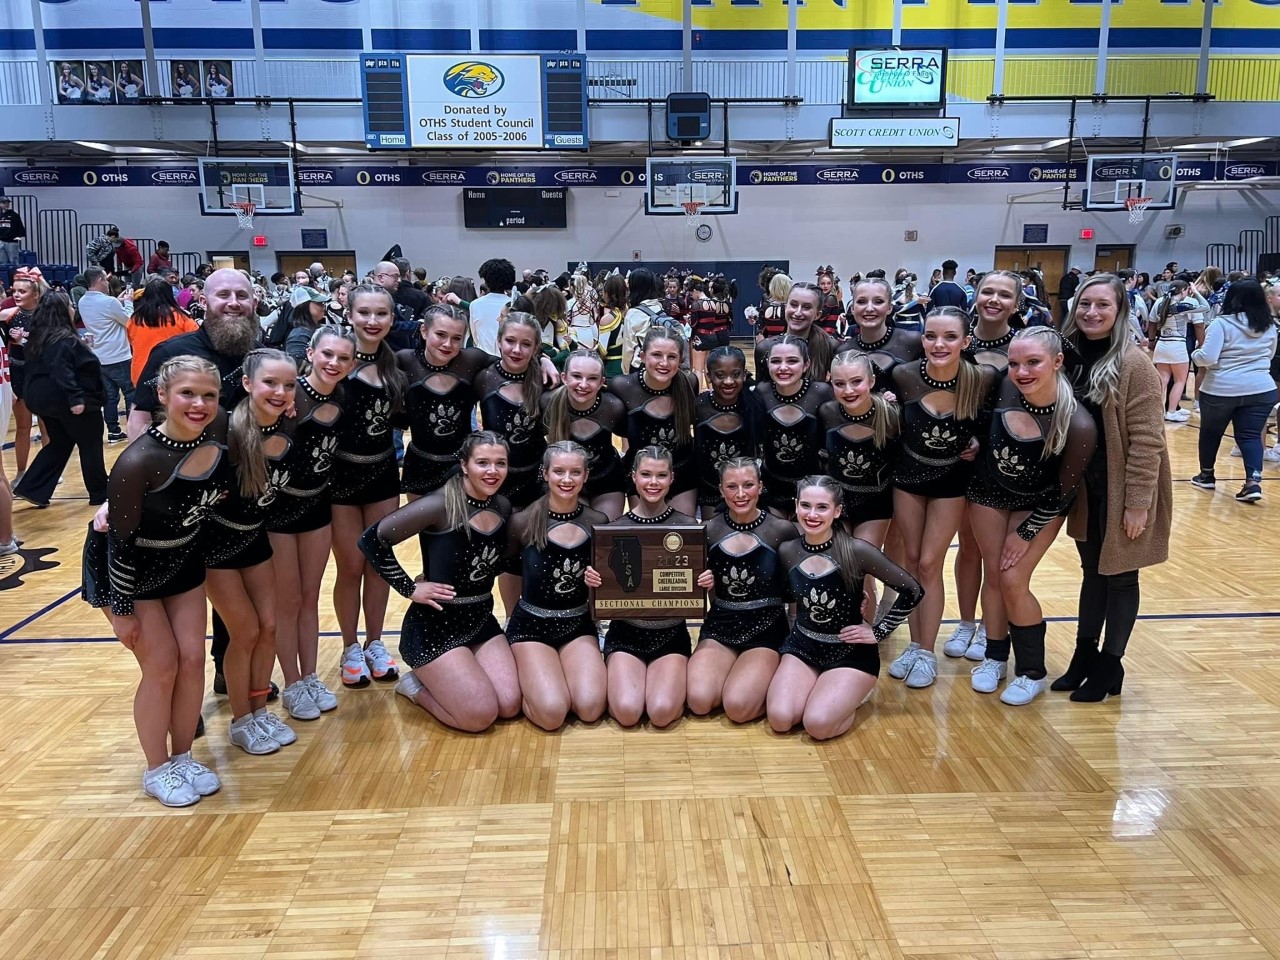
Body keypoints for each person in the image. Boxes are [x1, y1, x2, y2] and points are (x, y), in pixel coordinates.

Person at [88, 356, 227, 805]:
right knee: (162, 665)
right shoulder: (138, 461)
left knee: (193, 659)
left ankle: (183, 756)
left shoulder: (216, 431)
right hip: (130, 573)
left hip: (181, 561)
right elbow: (118, 545)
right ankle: (156, 768)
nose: (199, 404)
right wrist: (122, 613)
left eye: (208, 395)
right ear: (163, 395)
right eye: (187, 393)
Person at [966, 328, 1097, 705]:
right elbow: (978, 422)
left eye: (1033, 362)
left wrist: (1024, 533)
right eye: (1014, 363)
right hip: (988, 492)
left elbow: (1063, 493)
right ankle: (994, 657)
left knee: (1012, 578)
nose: (1021, 372)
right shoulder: (1002, 386)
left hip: (1041, 503)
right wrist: (973, 440)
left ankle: (1031, 672)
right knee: (994, 573)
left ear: (1057, 362)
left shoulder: (1078, 423)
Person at [1056, 274, 1171, 702]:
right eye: (1085, 304)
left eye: (1103, 305)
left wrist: (1138, 503)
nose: (1092, 312)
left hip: (1124, 487)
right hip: (1088, 489)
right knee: (1093, 572)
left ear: (1120, 310)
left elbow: (1148, 440)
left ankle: (1111, 663)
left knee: (1121, 576)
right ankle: (1084, 655)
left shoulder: (1134, 364)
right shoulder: (1067, 354)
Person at [360, 432, 522, 733]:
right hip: (434, 627)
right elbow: (371, 540)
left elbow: (499, 561)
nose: (492, 471)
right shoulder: (439, 504)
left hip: (479, 620)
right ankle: (415, 688)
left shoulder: (501, 505)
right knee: (479, 716)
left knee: (510, 705)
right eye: (482, 463)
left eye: (500, 463)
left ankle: (454, 677)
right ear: (464, 465)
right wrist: (410, 588)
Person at [887, 307, 996, 690]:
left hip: (952, 482)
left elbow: (994, 422)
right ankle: (914, 645)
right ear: (922, 339)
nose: (939, 344)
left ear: (966, 341)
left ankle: (927, 652)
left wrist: (979, 440)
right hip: (907, 479)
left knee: (930, 562)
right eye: (931, 336)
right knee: (911, 561)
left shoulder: (982, 378)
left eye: (950, 337)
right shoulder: (902, 375)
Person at [766, 475, 923, 740]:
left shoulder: (856, 550)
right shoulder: (788, 551)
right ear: (796, 506)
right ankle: (822, 690)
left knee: (817, 725)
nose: (812, 515)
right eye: (805, 505)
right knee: (780, 719)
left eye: (822, 507)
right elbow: (783, 593)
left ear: (837, 511)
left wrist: (878, 632)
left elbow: (913, 590)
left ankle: (853, 694)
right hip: (803, 646)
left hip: (849, 650)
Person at [203, 349, 298, 755]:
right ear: (246, 383)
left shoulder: (288, 424)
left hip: (255, 539)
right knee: (244, 632)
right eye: (269, 383)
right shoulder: (222, 427)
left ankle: (259, 711)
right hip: (215, 547)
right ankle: (241, 720)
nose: (279, 392)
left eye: (288, 385)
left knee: (269, 627)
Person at [270, 326, 354, 721]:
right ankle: (291, 683)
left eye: (343, 358)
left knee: (309, 596)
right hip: (279, 511)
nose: (334, 363)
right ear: (310, 353)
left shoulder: (341, 395)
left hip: (318, 506)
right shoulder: (288, 396)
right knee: (287, 601)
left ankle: (309, 676)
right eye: (328, 354)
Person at [327, 283, 407, 690]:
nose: (372, 321)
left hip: (382, 475)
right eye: (364, 313)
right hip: (340, 478)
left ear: (392, 319)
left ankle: (375, 642)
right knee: (351, 566)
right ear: (350, 314)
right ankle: (349, 646)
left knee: (378, 563)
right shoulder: (335, 361)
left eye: (381, 314)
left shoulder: (396, 366)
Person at [505, 441, 608, 730]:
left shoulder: (598, 521)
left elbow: (608, 580)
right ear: (545, 473)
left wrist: (597, 584)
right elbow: (508, 573)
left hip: (578, 624)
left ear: (586, 475)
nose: (567, 479)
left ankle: (552, 681)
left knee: (590, 708)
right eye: (559, 471)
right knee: (551, 715)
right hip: (531, 626)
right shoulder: (522, 522)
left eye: (575, 472)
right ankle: (527, 687)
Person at [946, 269, 1021, 662]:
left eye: (1004, 294)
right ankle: (965, 622)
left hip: (1005, 461)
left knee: (997, 554)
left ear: (1017, 303)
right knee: (968, 545)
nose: (994, 300)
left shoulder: (1023, 345)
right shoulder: (958, 342)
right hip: (963, 457)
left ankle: (994, 628)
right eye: (987, 291)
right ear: (974, 296)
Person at [688, 457, 798, 722]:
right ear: (720, 489)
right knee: (698, 701)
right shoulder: (707, 530)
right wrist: (701, 584)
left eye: (748, 485)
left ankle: (768, 688)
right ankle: (741, 680)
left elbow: (801, 583)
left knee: (737, 708)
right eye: (732, 486)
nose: (740, 494)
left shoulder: (782, 530)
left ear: (760, 486)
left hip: (766, 630)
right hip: (720, 626)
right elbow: (689, 584)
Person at [601, 446, 697, 728]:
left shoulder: (689, 528)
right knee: (628, 712)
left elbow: (697, 584)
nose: (653, 482)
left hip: (671, 634)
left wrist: (705, 581)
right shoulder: (614, 529)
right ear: (633, 477)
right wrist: (595, 580)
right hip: (625, 633)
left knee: (661, 712)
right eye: (646, 474)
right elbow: (607, 588)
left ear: (672, 478)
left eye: (661, 475)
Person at [12, 291, 108, 508]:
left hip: (45, 400)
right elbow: (61, 369)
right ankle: (99, 492)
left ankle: (32, 488)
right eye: (70, 305)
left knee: (60, 443)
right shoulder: (61, 339)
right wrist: (76, 399)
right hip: (69, 399)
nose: (73, 308)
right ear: (63, 311)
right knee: (90, 443)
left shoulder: (40, 337)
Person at [1191, 278, 1279, 503]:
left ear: (1232, 298)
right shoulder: (1269, 325)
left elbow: (1208, 358)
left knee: (1211, 432)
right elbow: (1269, 355)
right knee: (1250, 435)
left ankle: (1206, 475)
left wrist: (1195, 354)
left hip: (1221, 388)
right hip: (1261, 388)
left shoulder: (1221, 323)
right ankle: (1253, 482)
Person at [609, 326, 699, 515]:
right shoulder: (622, 386)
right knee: (646, 529)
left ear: (681, 359)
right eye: (657, 355)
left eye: (671, 357)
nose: (664, 363)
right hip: (642, 474)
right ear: (642, 356)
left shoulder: (689, 383)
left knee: (682, 529)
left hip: (682, 472)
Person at [543, 348, 627, 519]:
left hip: (607, 480)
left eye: (592, 378)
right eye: (576, 376)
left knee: (605, 530)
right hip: (566, 480)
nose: (583, 385)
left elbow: (630, 440)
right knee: (576, 528)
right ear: (564, 377)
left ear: (602, 382)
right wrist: (542, 359)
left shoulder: (613, 407)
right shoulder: (548, 402)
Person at [754, 335, 832, 516]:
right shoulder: (762, 392)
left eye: (792, 361)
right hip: (772, 487)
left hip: (812, 490)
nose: (783, 367)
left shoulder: (822, 392)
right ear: (767, 364)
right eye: (776, 361)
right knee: (776, 533)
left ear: (806, 365)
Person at [693, 345, 757, 512]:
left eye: (735, 375)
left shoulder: (754, 403)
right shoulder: (698, 406)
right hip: (709, 490)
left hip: (746, 490)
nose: (728, 381)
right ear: (708, 376)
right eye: (720, 375)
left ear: (744, 375)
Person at [77, 266, 134, 444]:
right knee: (130, 393)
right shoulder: (110, 302)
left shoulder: (82, 301)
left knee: (110, 397)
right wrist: (128, 302)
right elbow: (129, 321)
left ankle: (113, 431)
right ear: (100, 280)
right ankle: (134, 429)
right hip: (119, 355)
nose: (108, 283)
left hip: (98, 356)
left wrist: (118, 301)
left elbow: (104, 312)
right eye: (106, 279)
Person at [837, 277, 923, 390]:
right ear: (852, 308)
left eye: (878, 302)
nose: (869, 308)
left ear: (889, 308)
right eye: (861, 302)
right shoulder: (844, 351)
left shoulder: (912, 341)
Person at [0, 267, 46, 479]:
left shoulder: (45, 317)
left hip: (41, 374)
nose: (16, 295)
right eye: (14, 291)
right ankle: (20, 473)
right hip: (18, 373)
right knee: (23, 427)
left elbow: (49, 348)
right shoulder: (7, 315)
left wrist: (23, 340)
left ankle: (47, 474)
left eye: (22, 291)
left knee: (46, 427)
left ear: (35, 294)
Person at [1148, 279, 1208, 422]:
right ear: (1183, 290)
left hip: (1162, 343)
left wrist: (1151, 340)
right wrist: (1196, 292)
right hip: (1177, 345)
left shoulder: (1160, 302)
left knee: (1163, 380)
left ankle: (1154, 411)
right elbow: (1205, 307)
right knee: (1180, 381)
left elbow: (1152, 321)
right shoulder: (1182, 305)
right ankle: (1171, 411)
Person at [754, 281, 836, 383]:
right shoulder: (765, 348)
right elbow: (761, 389)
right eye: (793, 305)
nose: (798, 312)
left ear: (818, 315)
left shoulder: (830, 346)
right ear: (785, 307)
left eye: (806, 307)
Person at [127, 278, 197, 390]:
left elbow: (131, 342)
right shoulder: (182, 318)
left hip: (141, 374)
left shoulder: (135, 319)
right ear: (170, 295)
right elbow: (195, 344)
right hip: (174, 375)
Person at [470, 258, 517, 358]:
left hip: (482, 358)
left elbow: (475, 337)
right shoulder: (514, 304)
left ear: (486, 281)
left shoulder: (475, 304)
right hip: (509, 357)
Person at [282, 286, 331, 363]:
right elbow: (295, 365)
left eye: (323, 303)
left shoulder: (316, 328)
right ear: (304, 306)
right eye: (318, 303)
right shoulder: (299, 336)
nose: (323, 306)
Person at [815, 266, 844, 337]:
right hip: (821, 333)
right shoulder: (821, 298)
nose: (825, 286)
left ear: (831, 285)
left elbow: (819, 316)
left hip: (827, 335)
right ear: (818, 284)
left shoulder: (831, 298)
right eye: (823, 283)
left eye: (828, 283)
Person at [0, 196, 26, 265]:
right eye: (4, 203)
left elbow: (20, 227)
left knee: (14, 262)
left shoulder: (14, 215)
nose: (6, 204)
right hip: (2, 241)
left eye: (7, 203)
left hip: (11, 242)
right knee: (2, 262)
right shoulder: (0, 215)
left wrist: (17, 237)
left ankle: (14, 272)